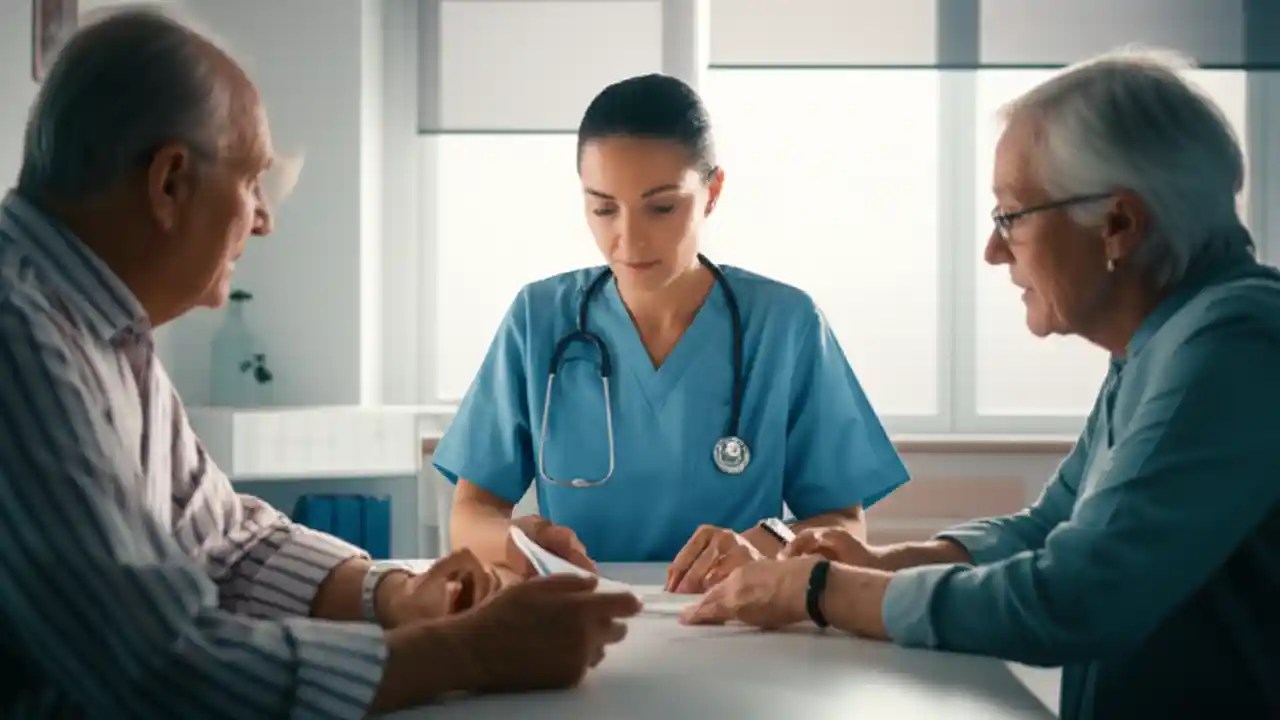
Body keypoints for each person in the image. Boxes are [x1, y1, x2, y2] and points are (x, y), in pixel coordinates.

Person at [0, 9, 638, 718]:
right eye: (251, 184)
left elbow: (226, 543)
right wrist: (471, 652)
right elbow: (153, 669)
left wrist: (393, 595)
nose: (264, 219)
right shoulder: (18, 338)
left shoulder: (102, 331)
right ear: (170, 184)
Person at [678, 49, 1280, 719]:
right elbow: (1050, 526)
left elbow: (1073, 598)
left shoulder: (1232, 345)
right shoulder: (1160, 344)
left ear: (1118, 224)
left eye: (1011, 215)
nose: (995, 251)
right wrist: (885, 562)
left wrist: (820, 590)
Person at [435, 73, 908, 593]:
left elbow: (841, 520)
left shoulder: (785, 324)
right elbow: (472, 511)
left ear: (713, 192)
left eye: (662, 207)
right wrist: (512, 542)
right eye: (603, 207)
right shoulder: (538, 319)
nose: (629, 239)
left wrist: (767, 541)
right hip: (575, 614)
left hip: (738, 619)